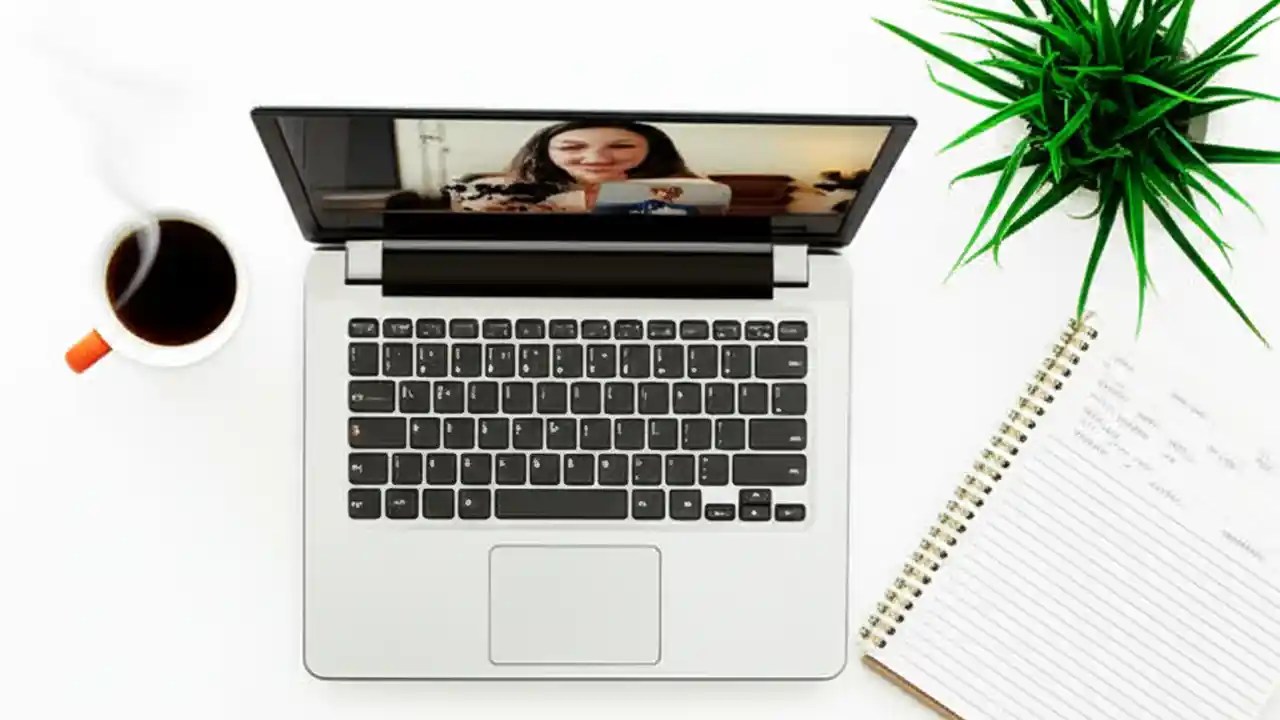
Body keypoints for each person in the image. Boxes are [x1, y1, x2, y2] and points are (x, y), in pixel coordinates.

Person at [451, 120, 701, 212]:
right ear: (544, 152)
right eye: (571, 148)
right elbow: (473, 199)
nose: (597, 159)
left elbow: (702, 197)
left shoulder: (686, 187)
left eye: (622, 146)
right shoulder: (497, 186)